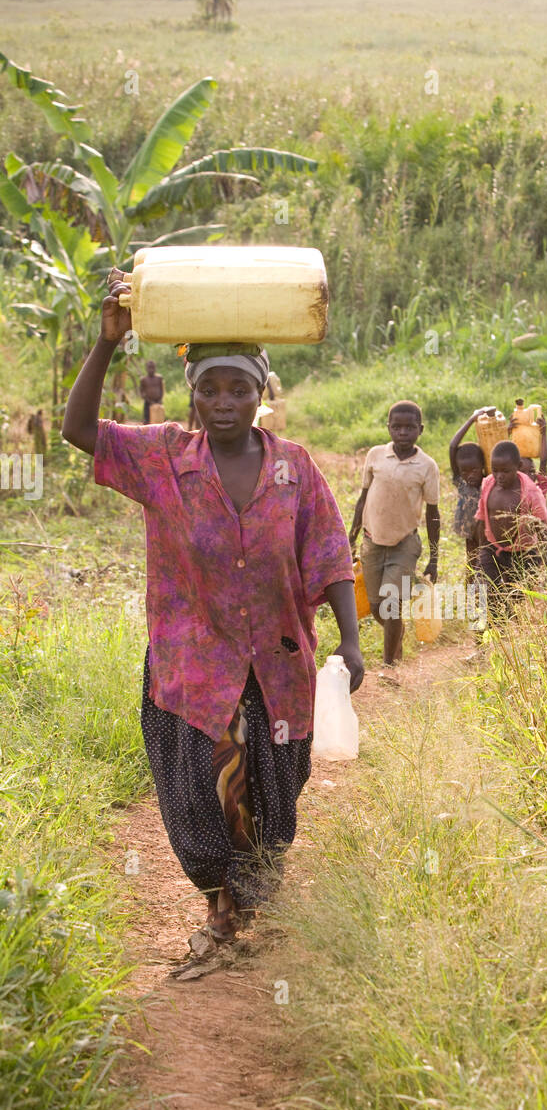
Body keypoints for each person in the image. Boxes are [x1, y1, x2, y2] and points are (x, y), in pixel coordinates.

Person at [62, 268, 363, 964]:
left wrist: (350, 639)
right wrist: (107, 342)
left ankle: (252, 891)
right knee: (205, 787)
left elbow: (329, 552)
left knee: (274, 790)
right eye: (210, 389)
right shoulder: (162, 456)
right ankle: (220, 913)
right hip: (194, 667)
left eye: (239, 389)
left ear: (261, 397)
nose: (224, 402)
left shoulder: (295, 468)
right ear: (191, 394)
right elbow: (80, 429)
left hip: (280, 663)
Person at [348, 401, 440, 683]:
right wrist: (350, 536)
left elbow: (433, 513)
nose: (403, 432)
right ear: (388, 427)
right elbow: (364, 498)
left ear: (420, 430)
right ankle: (396, 636)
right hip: (372, 542)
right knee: (376, 605)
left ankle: (390, 668)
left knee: (391, 603)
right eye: (397, 427)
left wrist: (434, 557)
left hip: (404, 544)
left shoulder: (427, 466)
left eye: (409, 427)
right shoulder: (376, 456)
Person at [475, 440, 547, 617]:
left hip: (523, 552)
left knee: (516, 598)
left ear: (518, 466)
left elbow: (542, 528)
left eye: (505, 471)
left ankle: (507, 627)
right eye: (495, 470)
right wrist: (480, 553)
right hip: (492, 547)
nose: (499, 476)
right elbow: (481, 518)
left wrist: (546, 565)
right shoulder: (488, 484)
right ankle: (489, 630)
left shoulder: (531, 492)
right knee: (487, 589)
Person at [449, 413, 486, 570]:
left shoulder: (488, 481)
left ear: (483, 465)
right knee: (472, 567)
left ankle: (486, 594)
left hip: (487, 535)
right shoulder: (461, 483)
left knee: (485, 567)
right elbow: (452, 446)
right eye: (464, 471)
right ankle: (472, 595)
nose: (469, 475)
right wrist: (471, 420)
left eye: (474, 470)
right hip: (469, 535)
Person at [511, 412, 547, 500]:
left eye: (532, 472)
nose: (528, 476)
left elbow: (543, 462)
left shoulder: (539, 492)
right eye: (522, 471)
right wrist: (508, 433)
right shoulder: (507, 492)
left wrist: (543, 434)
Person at [139, 359, 164, 425]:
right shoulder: (143, 379)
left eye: (153, 367)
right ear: (146, 369)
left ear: (155, 368)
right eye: (149, 367)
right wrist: (149, 401)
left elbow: (162, 390)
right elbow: (142, 392)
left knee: (159, 421)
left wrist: (160, 400)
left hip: (158, 402)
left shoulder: (159, 378)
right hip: (148, 403)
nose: (151, 369)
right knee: (147, 421)